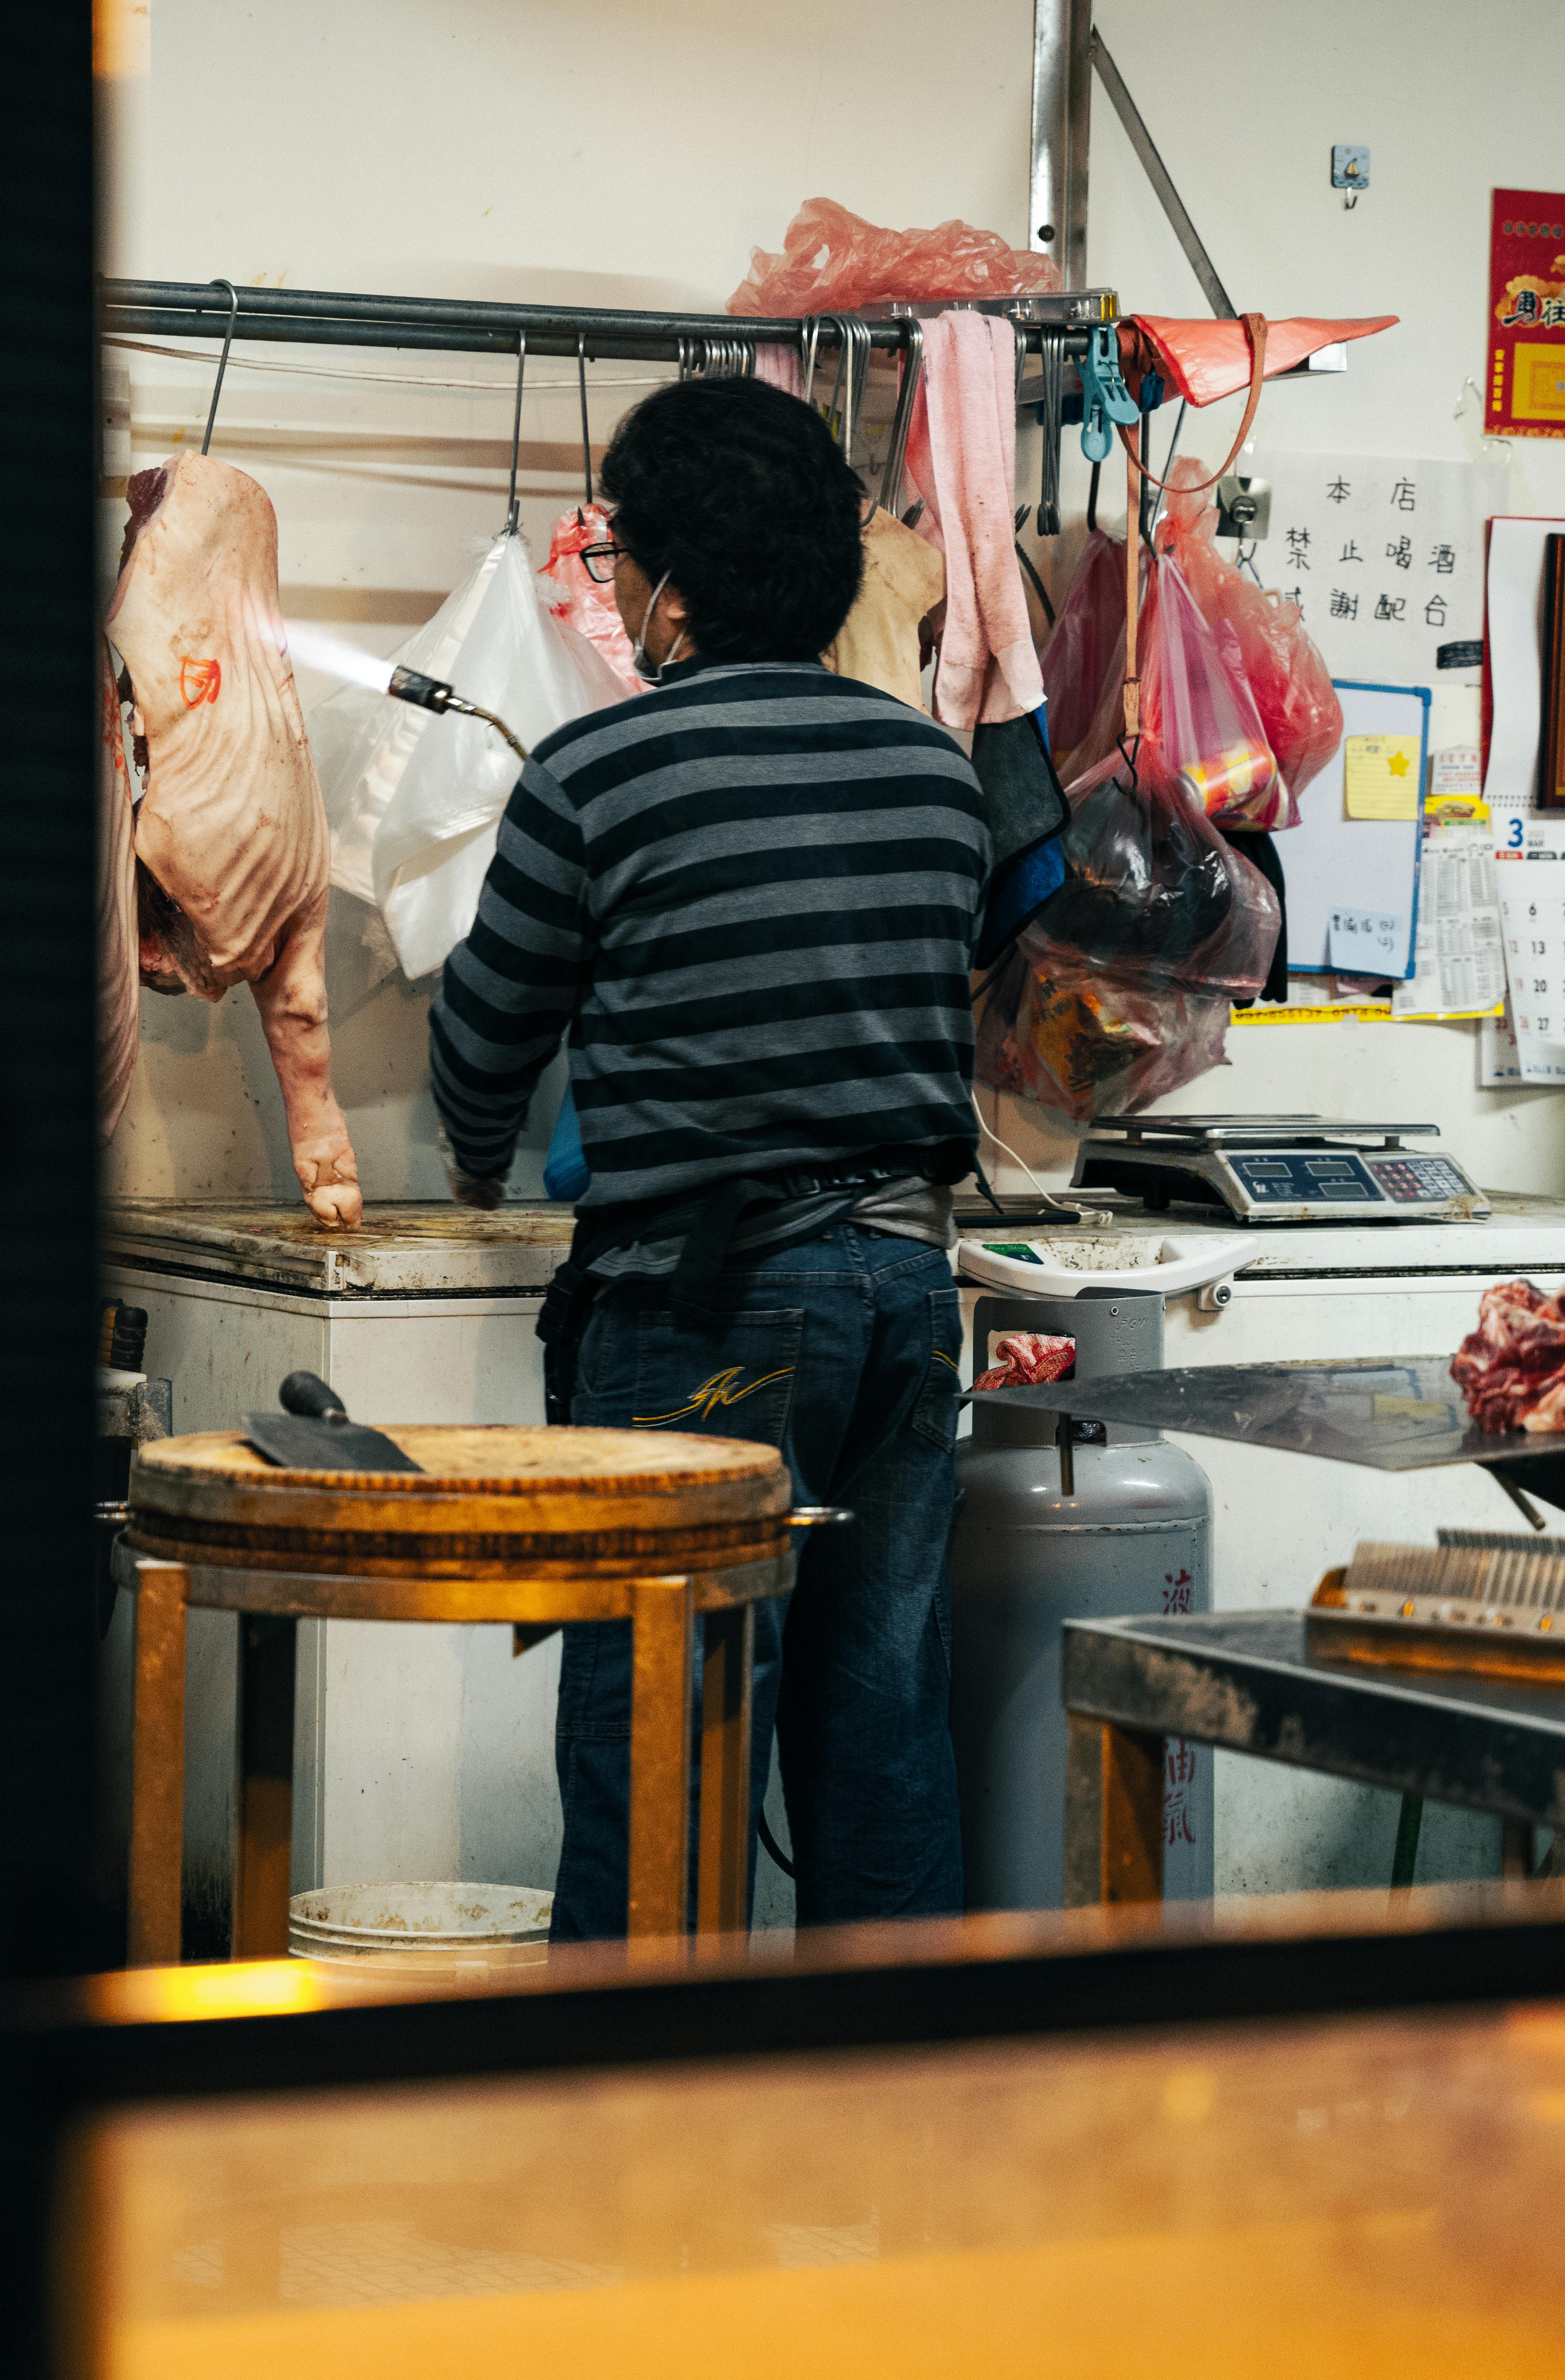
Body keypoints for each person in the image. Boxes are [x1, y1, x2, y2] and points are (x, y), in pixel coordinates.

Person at [428, 374, 984, 1943]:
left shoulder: (598, 773)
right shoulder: (936, 778)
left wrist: (479, 1159)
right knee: (881, 1735)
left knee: (657, 1738)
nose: (612, 592)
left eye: (616, 559)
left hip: (706, 1309)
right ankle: (892, 2089)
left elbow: (486, 1039)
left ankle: (640, 2089)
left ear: (674, 586)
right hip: (906, 1298)